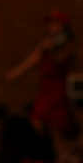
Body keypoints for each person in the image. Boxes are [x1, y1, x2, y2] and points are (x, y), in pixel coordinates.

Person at [6, 10, 76, 142]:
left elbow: (61, 60)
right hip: (46, 88)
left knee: (57, 124)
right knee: (41, 120)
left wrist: (52, 48)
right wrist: (16, 72)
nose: (50, 26)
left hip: (58, 88)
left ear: (62, 26)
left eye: (55, 23)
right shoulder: (47, 43)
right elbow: (34, 59)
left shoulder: (67, 43)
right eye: (50, 23)